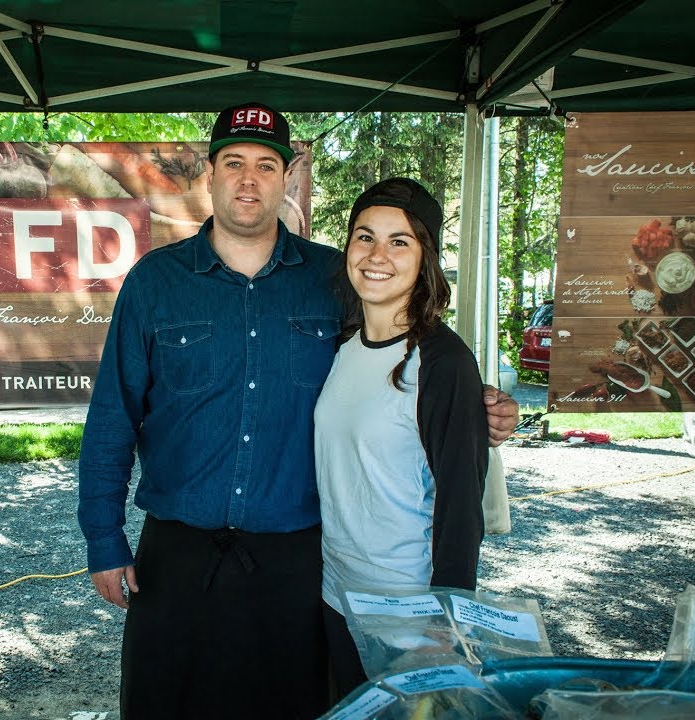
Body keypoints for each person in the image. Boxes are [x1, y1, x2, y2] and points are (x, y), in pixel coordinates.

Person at [77, 102, 519, 719]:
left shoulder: (331, 279)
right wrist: (103, 536)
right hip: (175, 555)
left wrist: (480, 408)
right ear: (210, 173)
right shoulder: (156, 282)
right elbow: (112, 418)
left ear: (288, 177)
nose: (250, 180)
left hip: (293, 561)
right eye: (234, 163)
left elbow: (399, 353)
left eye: (267, 164)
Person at [315, 177, 490, 700]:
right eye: (364, 237)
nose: (377, 255)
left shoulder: (442, 361)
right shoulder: (343, 346)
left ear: (425, 257)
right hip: (335, 592)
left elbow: (462, 506)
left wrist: (446, 619)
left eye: (399, 241)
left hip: (407, 610)